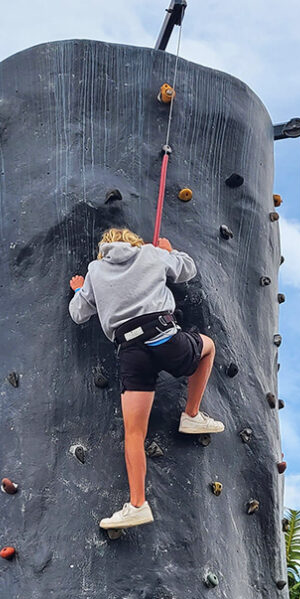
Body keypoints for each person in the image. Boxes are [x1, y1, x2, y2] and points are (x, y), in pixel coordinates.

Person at [69, 226, 224, 530]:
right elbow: (187, 270)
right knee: (208, 348)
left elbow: (78, 313)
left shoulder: (96, 272)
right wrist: (168, 252)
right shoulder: (150, 254)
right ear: (134, 243)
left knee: (134, 433)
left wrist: (79, 289)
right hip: (164, 337)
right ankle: (191, 414)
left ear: (104, 250)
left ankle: (138, 504)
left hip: (131, 351)